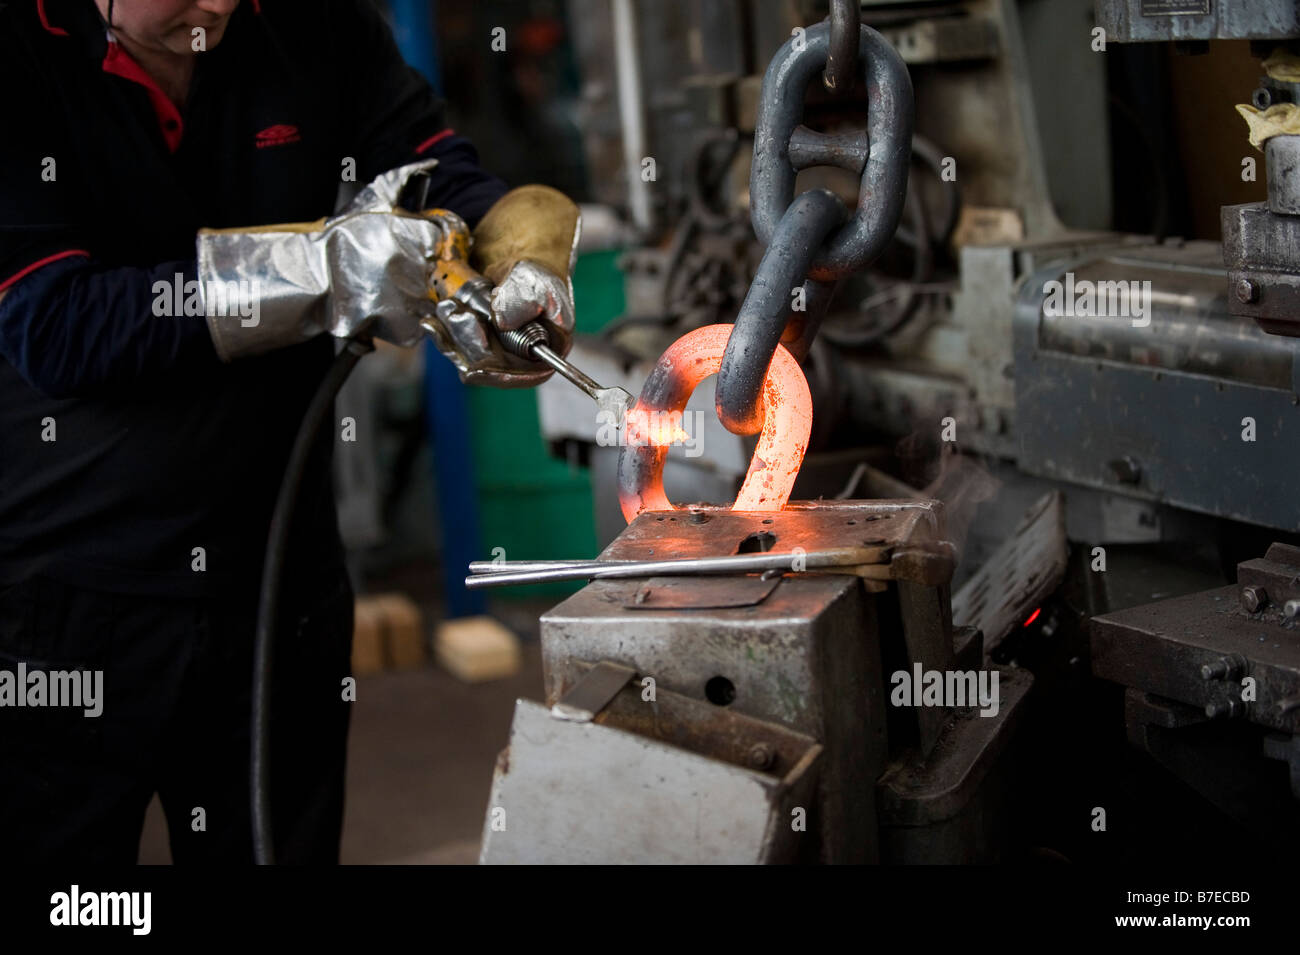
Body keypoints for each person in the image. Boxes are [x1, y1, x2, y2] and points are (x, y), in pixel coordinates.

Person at [0, 0, 580, 863]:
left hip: (276, 579)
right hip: (68, 599)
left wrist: (519, 254)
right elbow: (56, 325)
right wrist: (315, 270)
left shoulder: (315, 23)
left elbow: (435, 168)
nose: (222, 5)